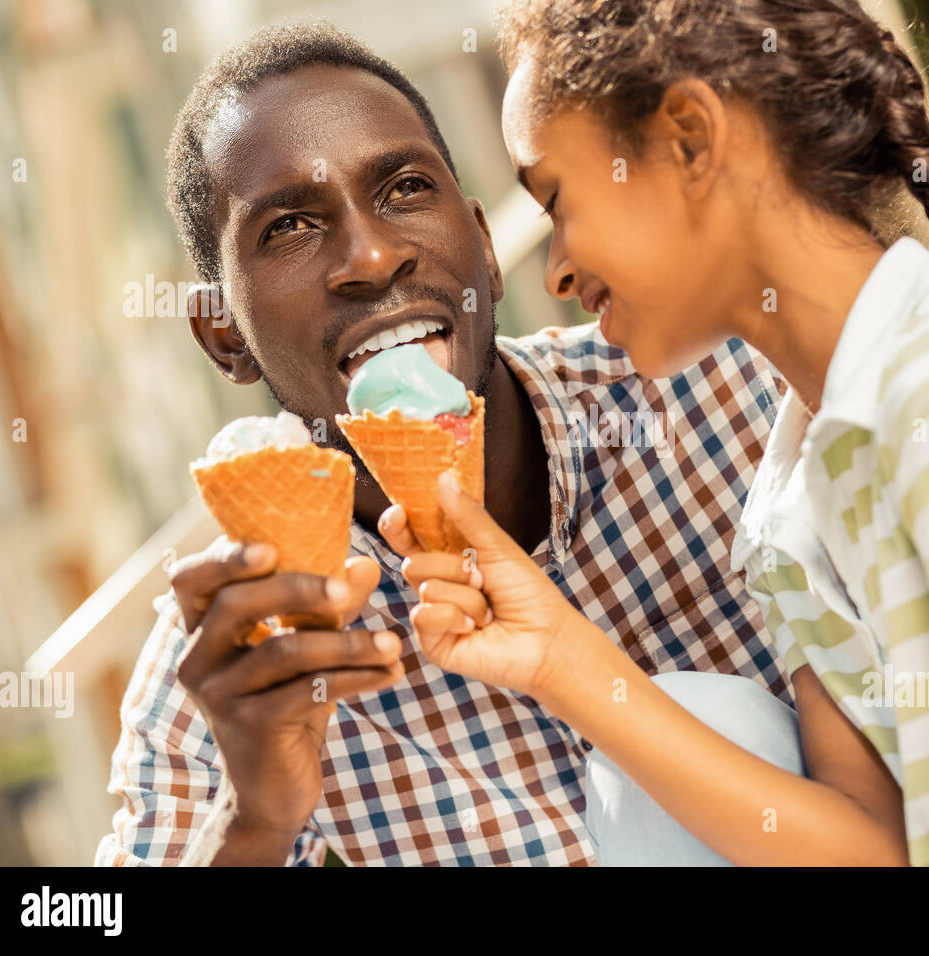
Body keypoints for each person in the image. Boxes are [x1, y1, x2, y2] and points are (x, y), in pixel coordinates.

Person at [399, 0, 929, 865]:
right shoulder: (790, 498)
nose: (552, 269)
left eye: (557, 199)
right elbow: (871, 848)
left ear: (691, 140)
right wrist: (560, 658)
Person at [95, 20, 793, 866]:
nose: (373, 255)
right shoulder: (231, 663)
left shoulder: (719, 390)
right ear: (223, 338)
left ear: (486, 251)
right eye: (288, 228)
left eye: (403, 190)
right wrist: (251, 821)